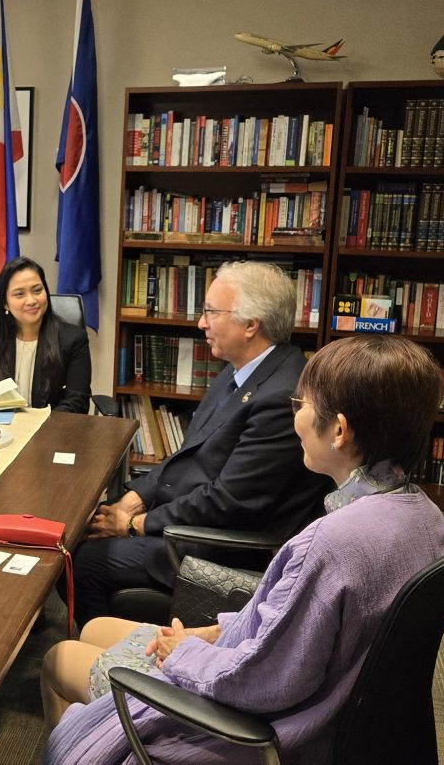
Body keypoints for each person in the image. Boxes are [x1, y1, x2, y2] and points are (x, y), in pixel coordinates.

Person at [42, 335, 444, 765]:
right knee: (94, 628)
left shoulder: (332, 544)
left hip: (263, 728)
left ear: (338, 431)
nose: (295, 416)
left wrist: (182, 652)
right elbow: (291, 630)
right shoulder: (425, 517)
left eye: (302, 404)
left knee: (57, 659)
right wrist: (212, 633)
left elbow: (262, 680)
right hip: (326, 707)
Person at [70, 261, 324, 626]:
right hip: (188, 515)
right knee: (83, 527)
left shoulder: (280, 397)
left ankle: (112, 653)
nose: (201, 323)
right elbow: (189, 455)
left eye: (211, 312)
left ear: (250, 325)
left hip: (220, 547)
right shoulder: (239, 370)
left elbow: (228, 502)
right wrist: (132, 499)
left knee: (81, 563)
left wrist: (134, 524)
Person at [0, 256, 91, 413]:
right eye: (19, 294)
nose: (31, 300)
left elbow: (77, 403)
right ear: (5, 303)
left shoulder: (73, 339)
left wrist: (38, 423)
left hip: (51, 426)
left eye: (37, 290)